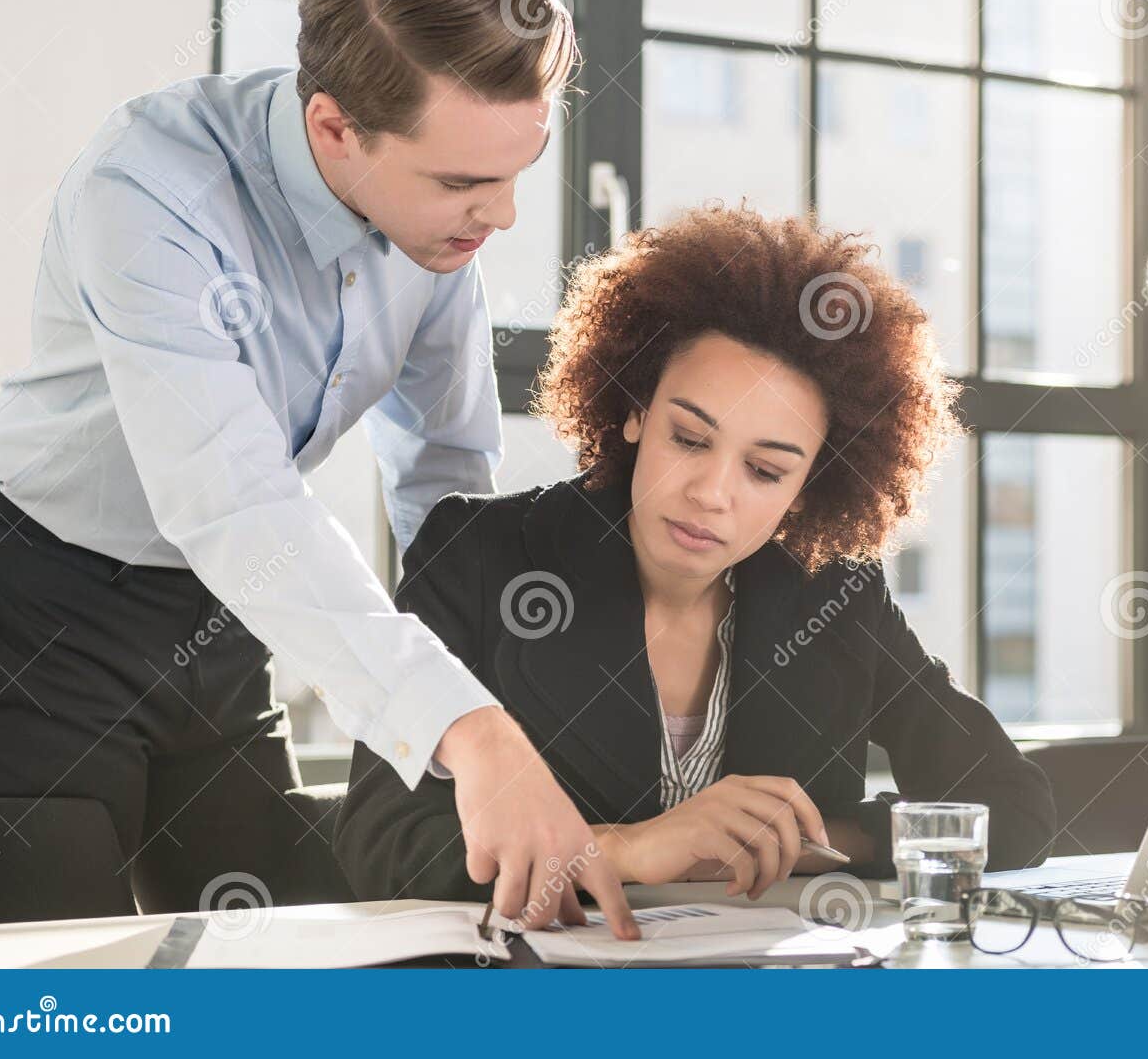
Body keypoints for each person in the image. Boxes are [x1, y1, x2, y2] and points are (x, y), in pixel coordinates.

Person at [0, 0, 635, 936]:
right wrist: (470, 731)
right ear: (337, 127)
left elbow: (447, 482)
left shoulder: (436, 232)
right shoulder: (150, 190)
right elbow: (233, 499)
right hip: (35, 602)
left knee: (278, 936)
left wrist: (510, 690)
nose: (502, 216)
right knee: (63, 971)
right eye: (465, 181)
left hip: (220, 614)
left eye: (517, 172)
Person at [334, 204, 1058, 906]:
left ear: (808, 490)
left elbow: (1012, 807)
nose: (713, 493)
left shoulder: (836, 595)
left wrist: (816, 842)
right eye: (689, 438)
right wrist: (625, 848)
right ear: (634, 412)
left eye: (766, 471)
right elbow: (382, 842)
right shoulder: (480, 556)